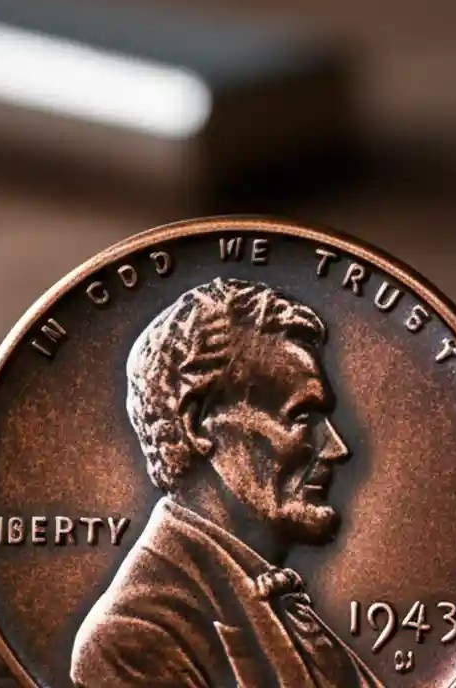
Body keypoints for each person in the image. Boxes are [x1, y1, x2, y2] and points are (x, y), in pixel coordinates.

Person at [71, 278, 383, 687]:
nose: (337, 448)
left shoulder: (277, 602)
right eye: (303, 417)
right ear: (198, 424)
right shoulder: (132, 636)